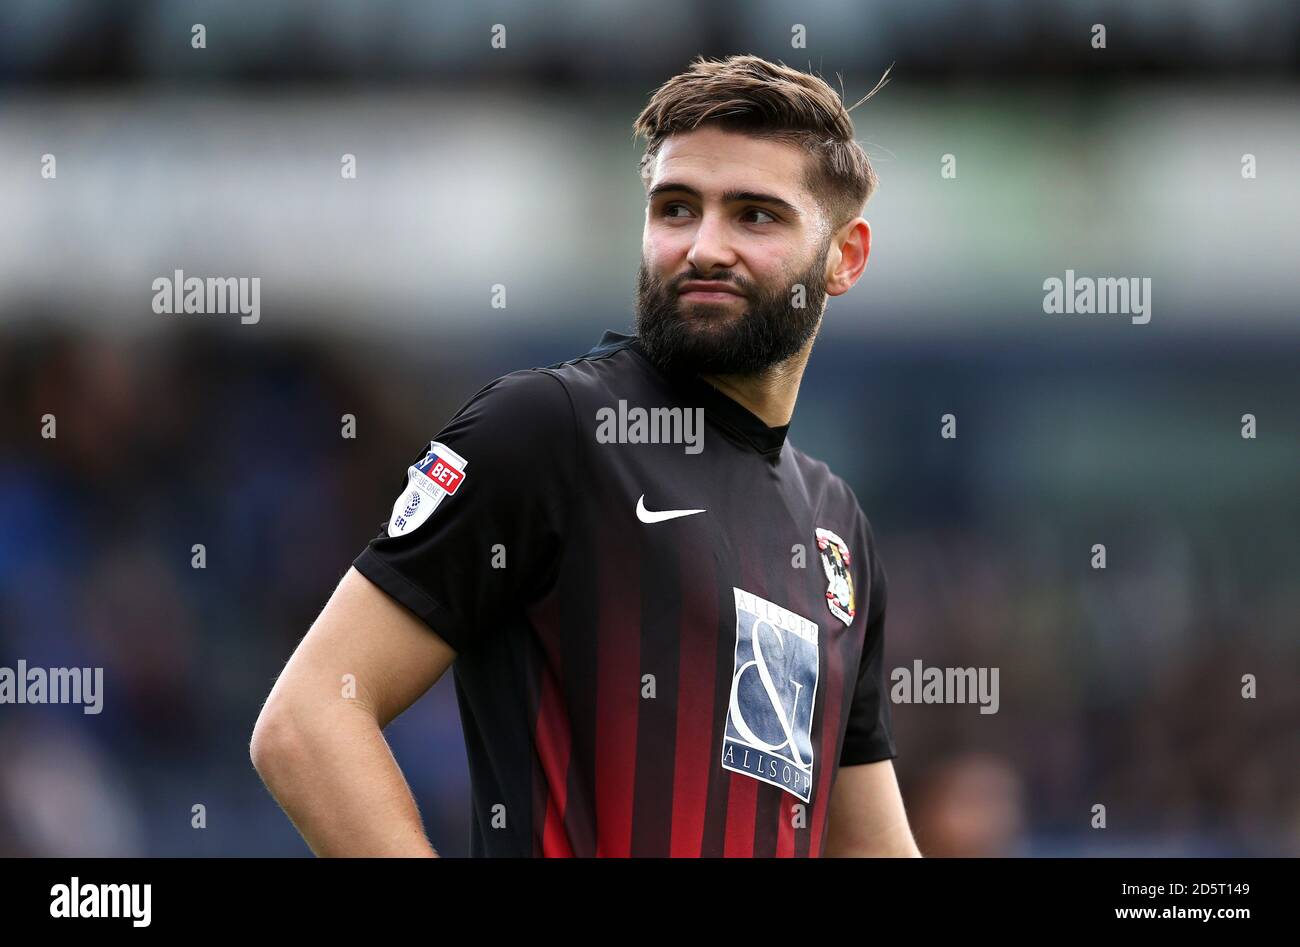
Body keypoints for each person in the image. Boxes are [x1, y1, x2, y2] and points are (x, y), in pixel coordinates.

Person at [251, 53, 919, 858]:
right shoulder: (550, 429)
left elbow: (870, 848)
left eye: (754, 216)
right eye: (677, 209)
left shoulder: (835, 526)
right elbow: (307, 719)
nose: (705, 247)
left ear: (845, 256)